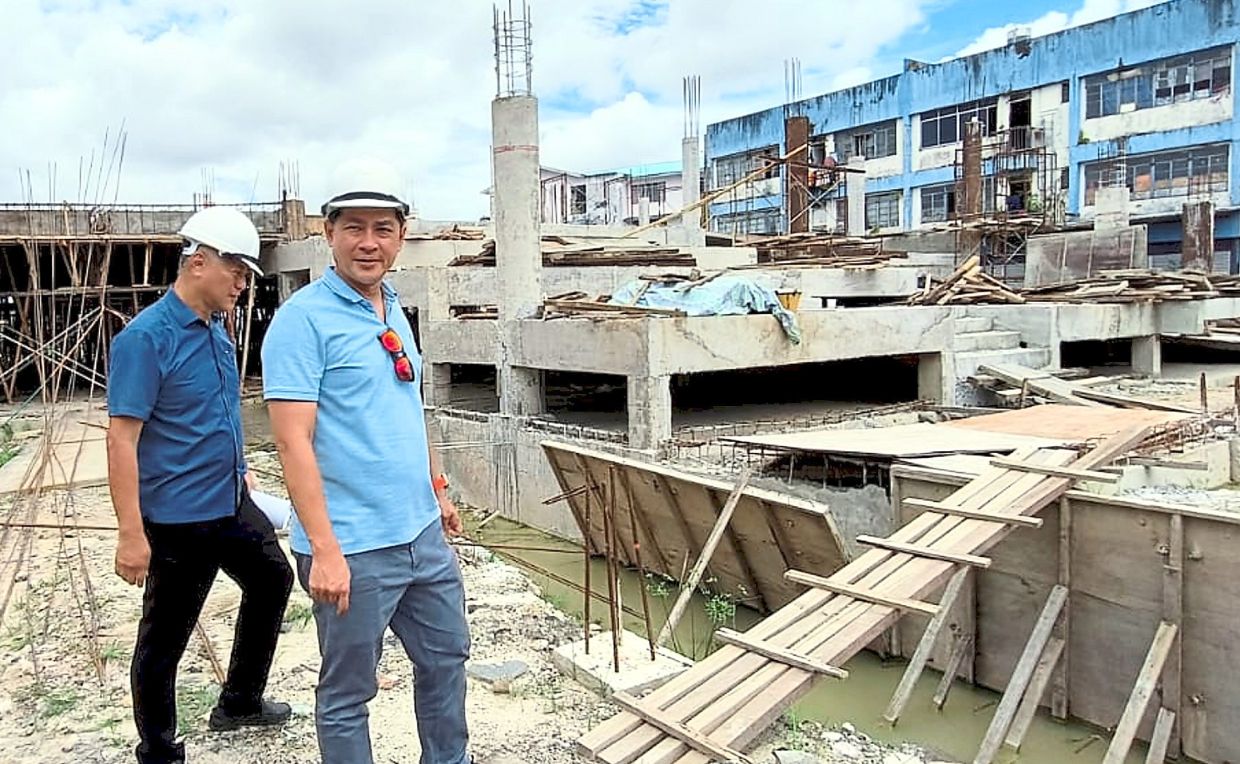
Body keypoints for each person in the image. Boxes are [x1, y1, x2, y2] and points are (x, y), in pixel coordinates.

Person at [262, 160, 470, 764]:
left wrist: (437, 489)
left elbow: (409, 407)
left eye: (383, 229)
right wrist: (325, 550)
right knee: (349, 692)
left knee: (446, 658)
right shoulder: (301, 321)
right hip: (352, 546)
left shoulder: (393, 307)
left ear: (401, 237)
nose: (368, 242)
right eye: (354, 227)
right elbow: (292, 442)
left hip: (421, 533)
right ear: (329, 234)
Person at [106, 207, 295, 764]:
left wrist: (241, 468)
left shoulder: (217, 331)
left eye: (246, 275)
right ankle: (159, 750)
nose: (242, 285)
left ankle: (239, 702)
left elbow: (213, 415)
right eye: (235, 272)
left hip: (229, 501)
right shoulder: (146, 339)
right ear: (198, 262)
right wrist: (130, 533)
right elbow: (121, 439)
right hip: (177, 519)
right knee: (165, 639)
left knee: (272, 579)